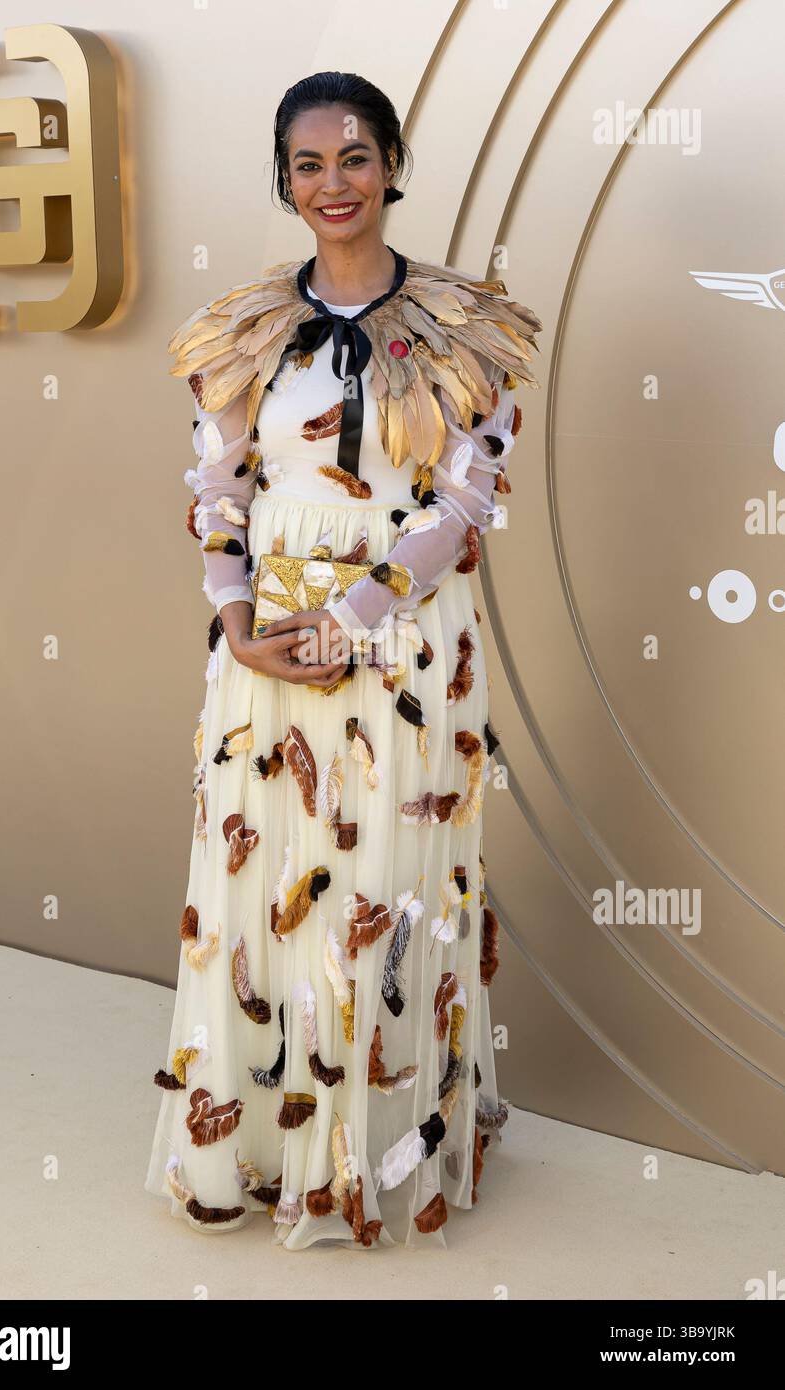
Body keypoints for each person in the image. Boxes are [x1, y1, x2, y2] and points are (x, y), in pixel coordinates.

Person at [144, 70, 542, 1250]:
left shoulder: (472, 325)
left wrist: (353, 616)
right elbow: (217, 491)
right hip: (265, 646)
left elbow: (463, 506)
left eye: (355, 157)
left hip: (408, 645)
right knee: (260, 890)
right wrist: (234, 618)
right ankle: (259, 1152)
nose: (333, 184)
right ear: (283, 177)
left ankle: (375, 1159)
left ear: (393, 165)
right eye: (309, 163)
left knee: (390, 891)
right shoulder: (241, 326)